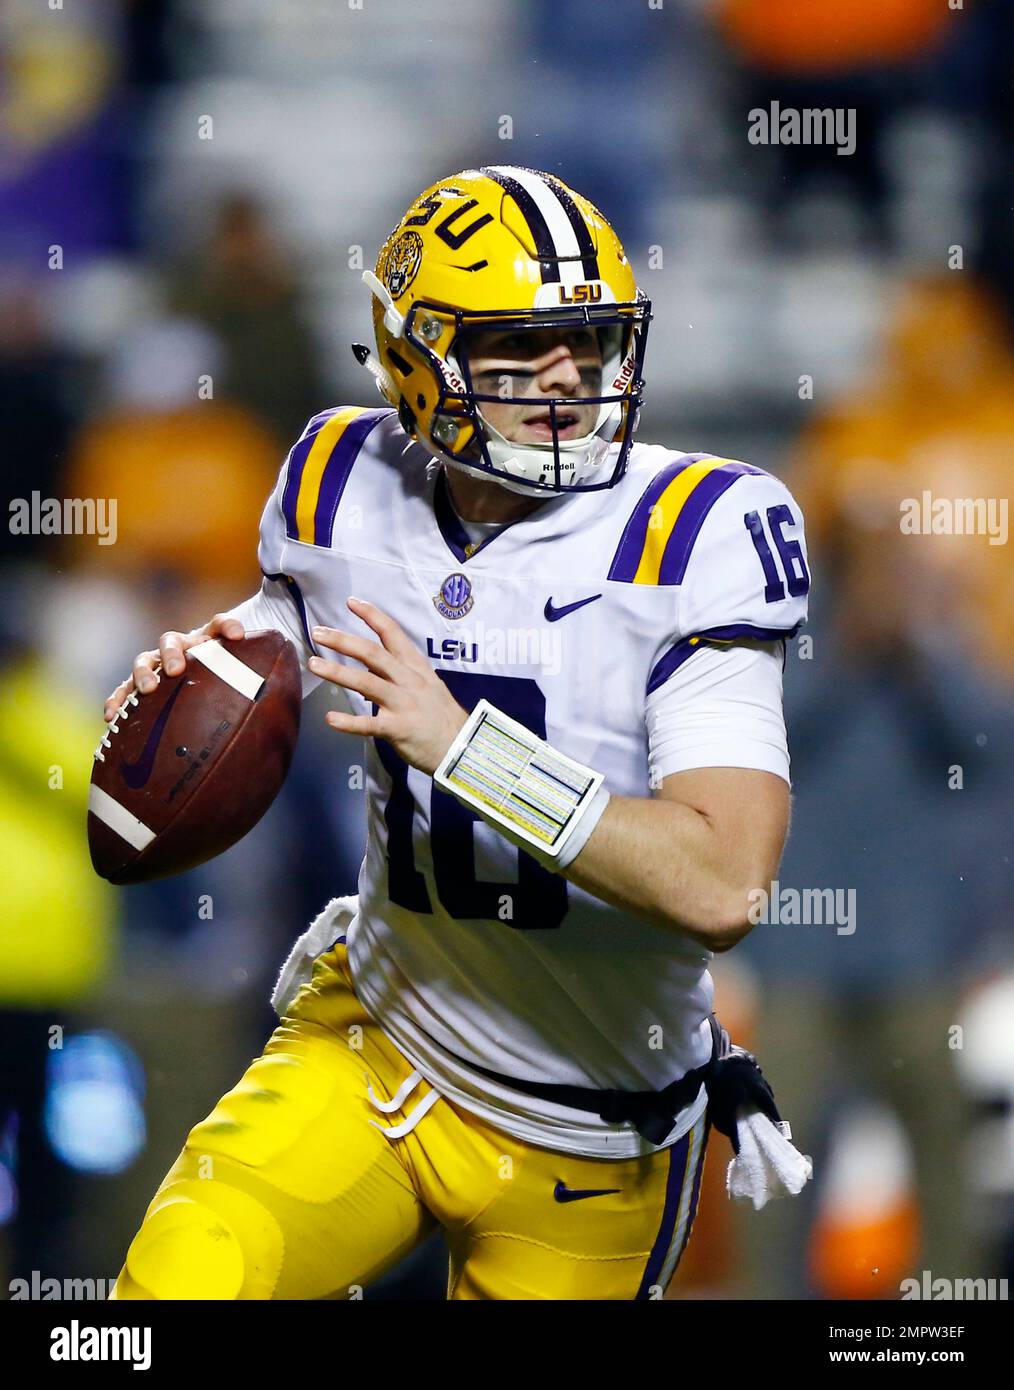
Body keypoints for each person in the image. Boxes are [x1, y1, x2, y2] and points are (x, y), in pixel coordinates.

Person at [105, 166, 809, 1301]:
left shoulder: (699, 533)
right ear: (415, 360)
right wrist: (207, 661)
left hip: (589, 1133)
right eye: (519, 348)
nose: (567, 379)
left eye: (585, 342)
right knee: (175, 1287)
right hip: (379, 1044)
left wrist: (466, 746)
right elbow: (292, 627)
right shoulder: (341, 480)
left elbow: (725, 885)